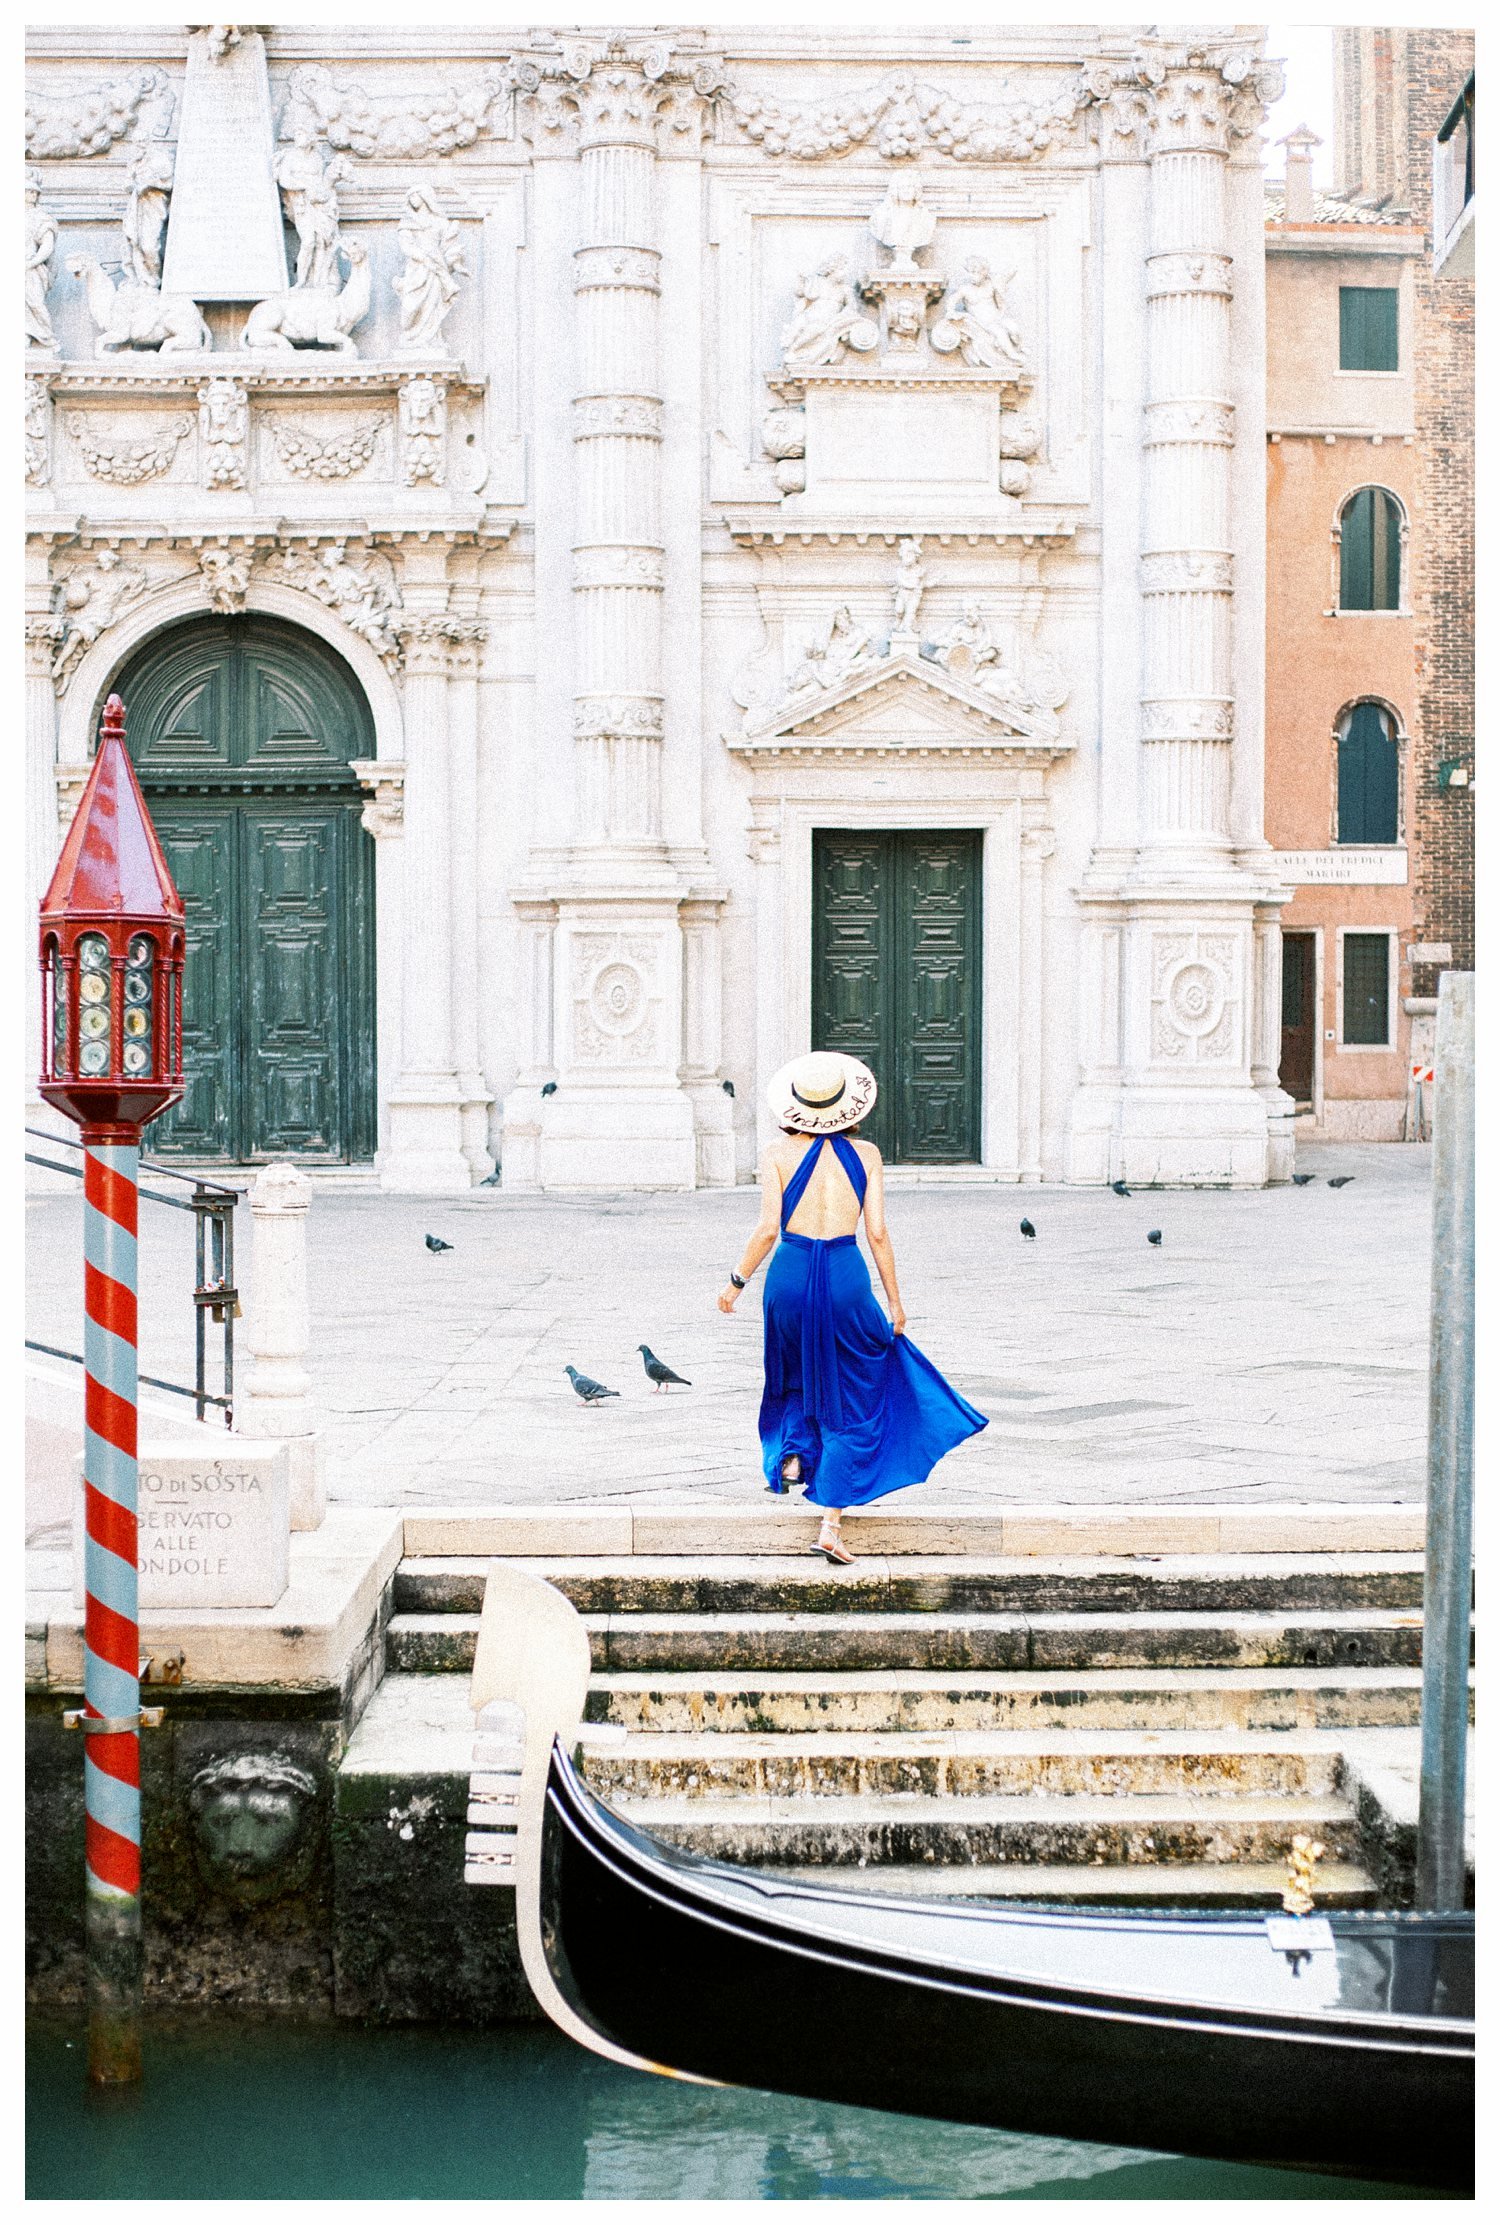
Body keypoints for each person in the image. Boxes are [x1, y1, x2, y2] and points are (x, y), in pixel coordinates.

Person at [717, 1051, 987, 1565]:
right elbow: (878, 1232)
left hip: (789, 1276)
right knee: (857, 1393)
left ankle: (795, 1455)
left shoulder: (776, 1153)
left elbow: (768, 1229)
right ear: (848, 1108)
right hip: (845, 1276)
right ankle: (832, 1523)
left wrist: (736, 1283)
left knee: (792, 1373)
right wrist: (895, 1301)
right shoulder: (866, 1156)